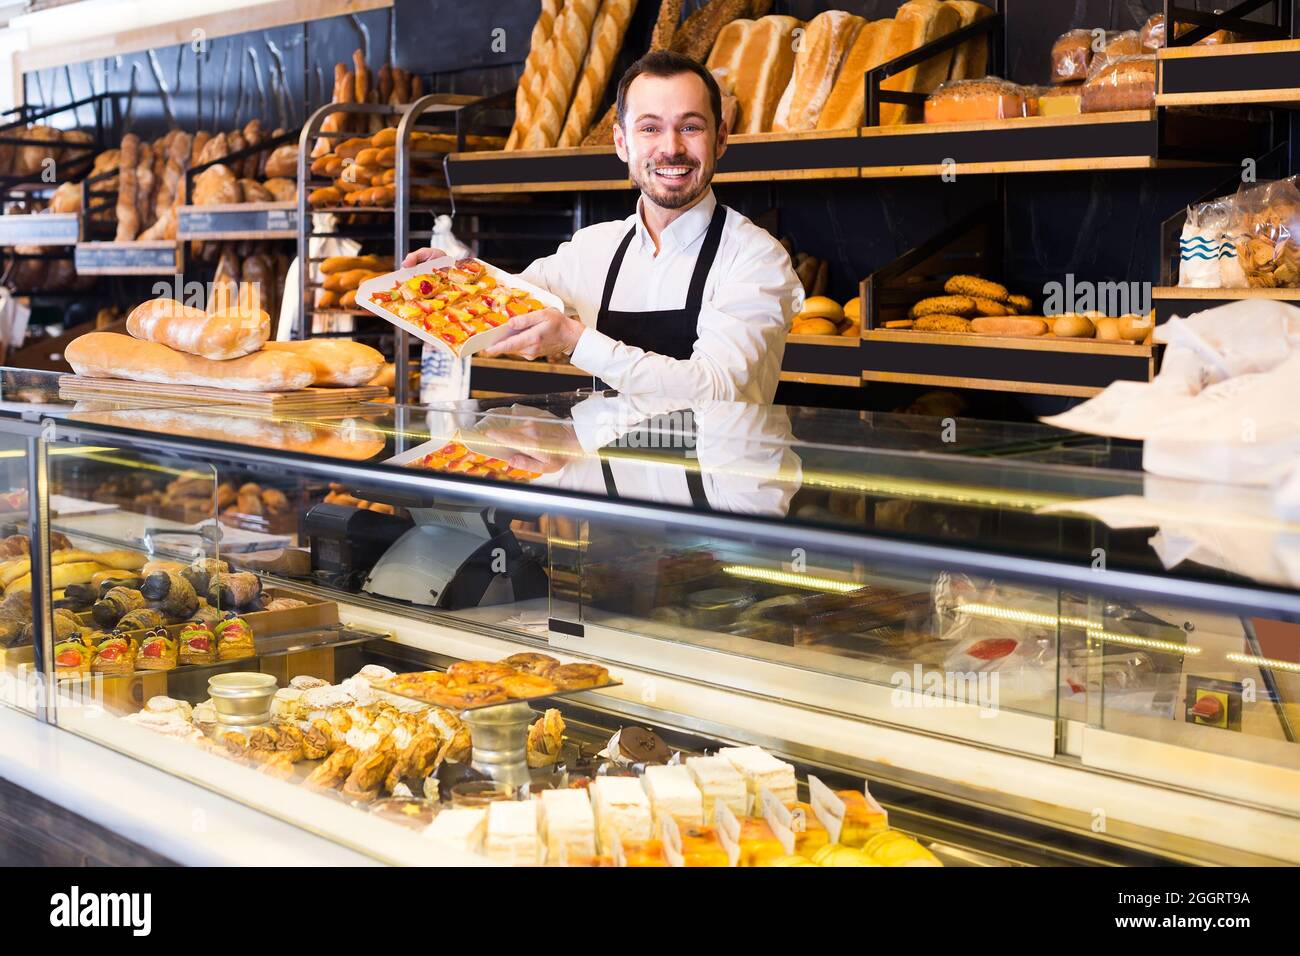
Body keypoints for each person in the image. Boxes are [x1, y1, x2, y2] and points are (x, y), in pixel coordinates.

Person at [403, 51, 800, 403]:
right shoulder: (594, 249)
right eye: (649, 128)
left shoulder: (755, 257)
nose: (671, 147)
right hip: (612, 481)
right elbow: (505, 307)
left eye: (691, 127)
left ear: (721, 139)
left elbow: (716, 389)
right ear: (622, 143)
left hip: (716, 484)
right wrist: (452, 284)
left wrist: (575, 342)